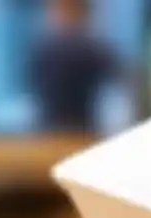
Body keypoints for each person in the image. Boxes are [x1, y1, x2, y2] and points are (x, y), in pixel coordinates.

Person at [28, 0, 118, 133]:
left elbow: (119, 78)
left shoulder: (92, 51)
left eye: (68, 12)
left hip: (81, 130)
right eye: (57, 11)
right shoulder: (42, 51)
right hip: (48, 129)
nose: (61, 17)